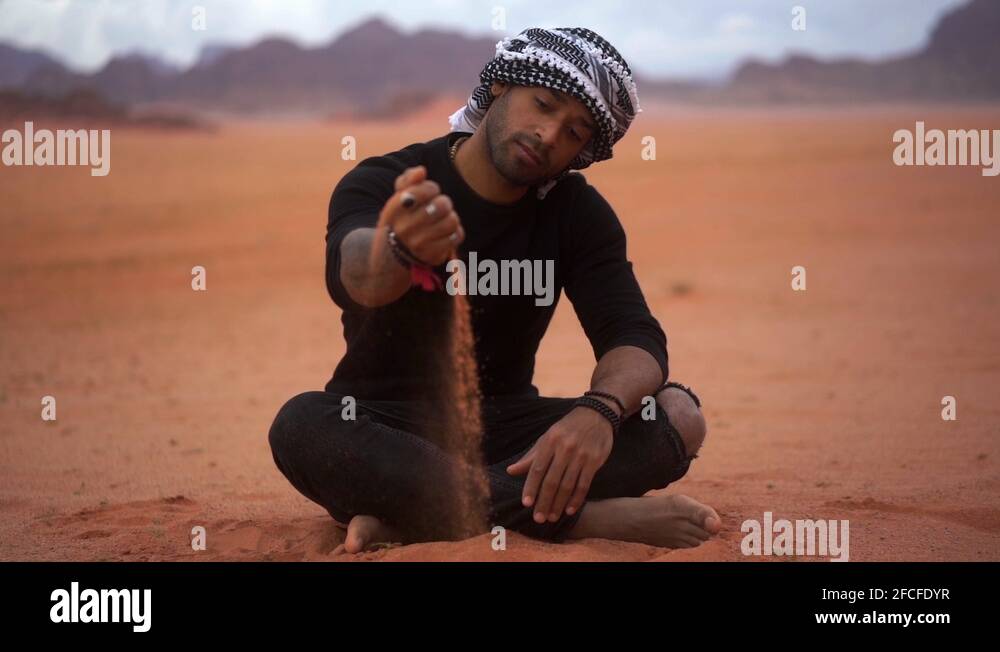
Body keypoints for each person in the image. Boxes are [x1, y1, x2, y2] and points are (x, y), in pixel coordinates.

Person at [268, 26, 721, 553]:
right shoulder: (388, 181)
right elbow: (356, 279)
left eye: (574, 132)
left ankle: (420, 517)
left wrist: (599, 410)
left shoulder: (575, 213)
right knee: (302, 424)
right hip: (383, 427)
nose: (550, 134)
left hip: (511, 434)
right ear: (502, 86)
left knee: (677, 415)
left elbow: (634, 336)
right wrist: (399, 249)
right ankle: (583, 521)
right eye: (544, 104)